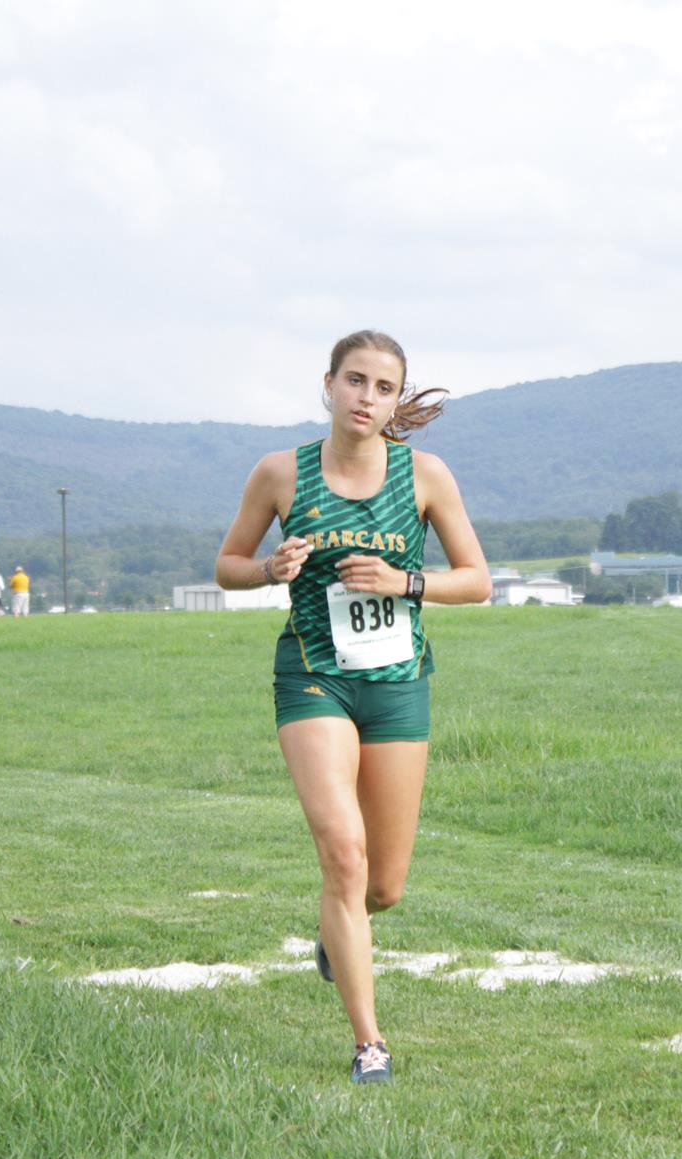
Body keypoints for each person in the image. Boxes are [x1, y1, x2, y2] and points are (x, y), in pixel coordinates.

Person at [216, 330, 490, 1085]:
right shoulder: (281, 472)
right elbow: (227, 564)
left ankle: (339, 930)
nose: (366, 398)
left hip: (397, 681)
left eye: (383, 387)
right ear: (328, 385)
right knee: (343, 850)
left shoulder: (426, 475)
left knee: (383, 886)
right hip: (313, 675)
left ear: (397, 400)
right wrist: (270, 567)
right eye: (355, 381)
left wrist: (405, 582)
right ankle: (370, 1040)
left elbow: (477, 579)